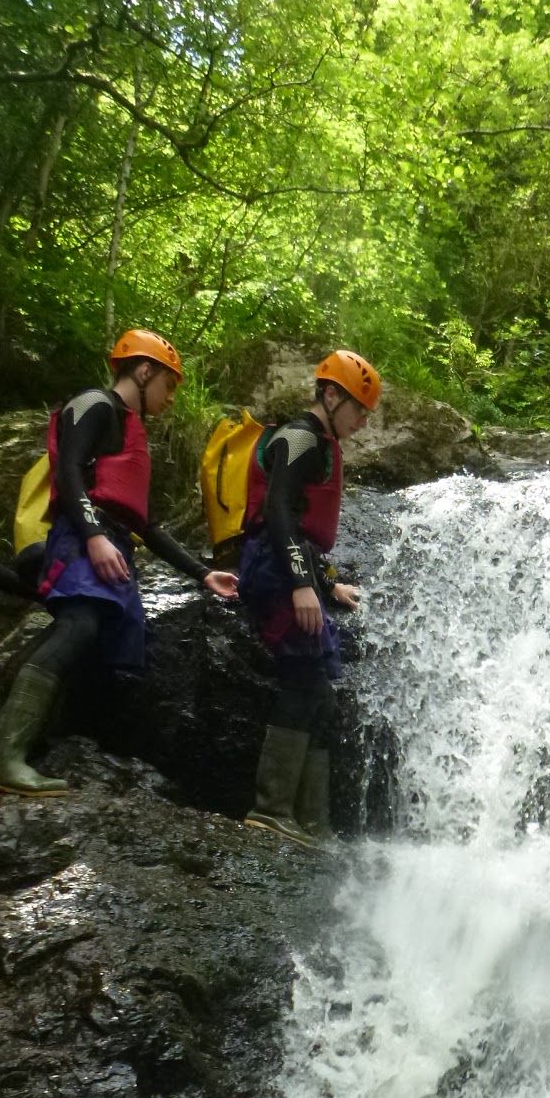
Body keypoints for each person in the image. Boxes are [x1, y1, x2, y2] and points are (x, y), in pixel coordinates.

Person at [0, 330, 238, 796]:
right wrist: (93, 536)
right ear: (143, 370)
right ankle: (2, 758)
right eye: (169, 385)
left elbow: (147, 524)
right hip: (81, 536)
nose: (172, 398)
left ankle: (45, 753)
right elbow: (70, 469)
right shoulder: (94, 404)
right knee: (80, 626)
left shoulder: (130, 430)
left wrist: (201, 572)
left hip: (112, 543)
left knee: (107, 650)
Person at [237, 349, 379, 846]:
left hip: (291, 565)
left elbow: (300, 524)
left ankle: (313, 822)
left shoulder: (316, 440)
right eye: (359, 408)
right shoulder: (299, 435)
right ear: (332, 394)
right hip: (276, 568)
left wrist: (324, 582)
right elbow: (278, 510)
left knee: (321, 694)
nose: (363, 421)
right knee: (303, 680)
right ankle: (271, 807)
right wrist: (301, 583)